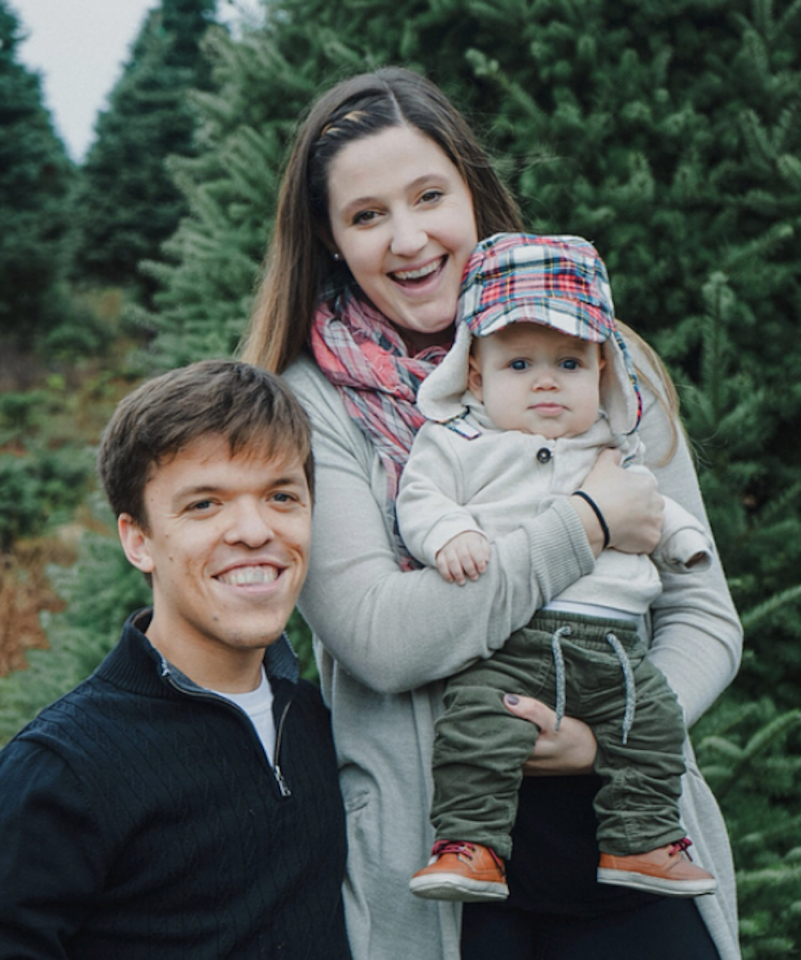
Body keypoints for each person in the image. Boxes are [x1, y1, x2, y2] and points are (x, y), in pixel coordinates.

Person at [241, 66, 742, 960]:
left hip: (634, 845)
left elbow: (702, 613)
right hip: (441, 871)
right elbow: (384, 638)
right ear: (327, 237)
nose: (408, 239)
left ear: (473, 192)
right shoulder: (309, 405)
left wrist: (604, 736)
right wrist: (582, 525)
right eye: (366, 215)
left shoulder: (600, 359)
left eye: (429, 195)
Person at [398, 232, 717, 902]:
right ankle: (469, 844)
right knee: (477, 726)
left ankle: (643, 842)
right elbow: (419, 499)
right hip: (514, 641)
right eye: (519, 365)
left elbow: (651, 508)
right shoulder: (459, 442)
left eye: (568, 363)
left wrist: (683, 543)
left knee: (652, 722)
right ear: (475, 375)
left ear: (599, 369)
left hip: (614, 647)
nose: (546, 380)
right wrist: (449, 533)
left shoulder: (611, 442)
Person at [0, 359, 352, 960]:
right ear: (138, 540)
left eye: (281, 495)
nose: (253, 529)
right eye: (204, 504)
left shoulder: (328, 724)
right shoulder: (62, 770)